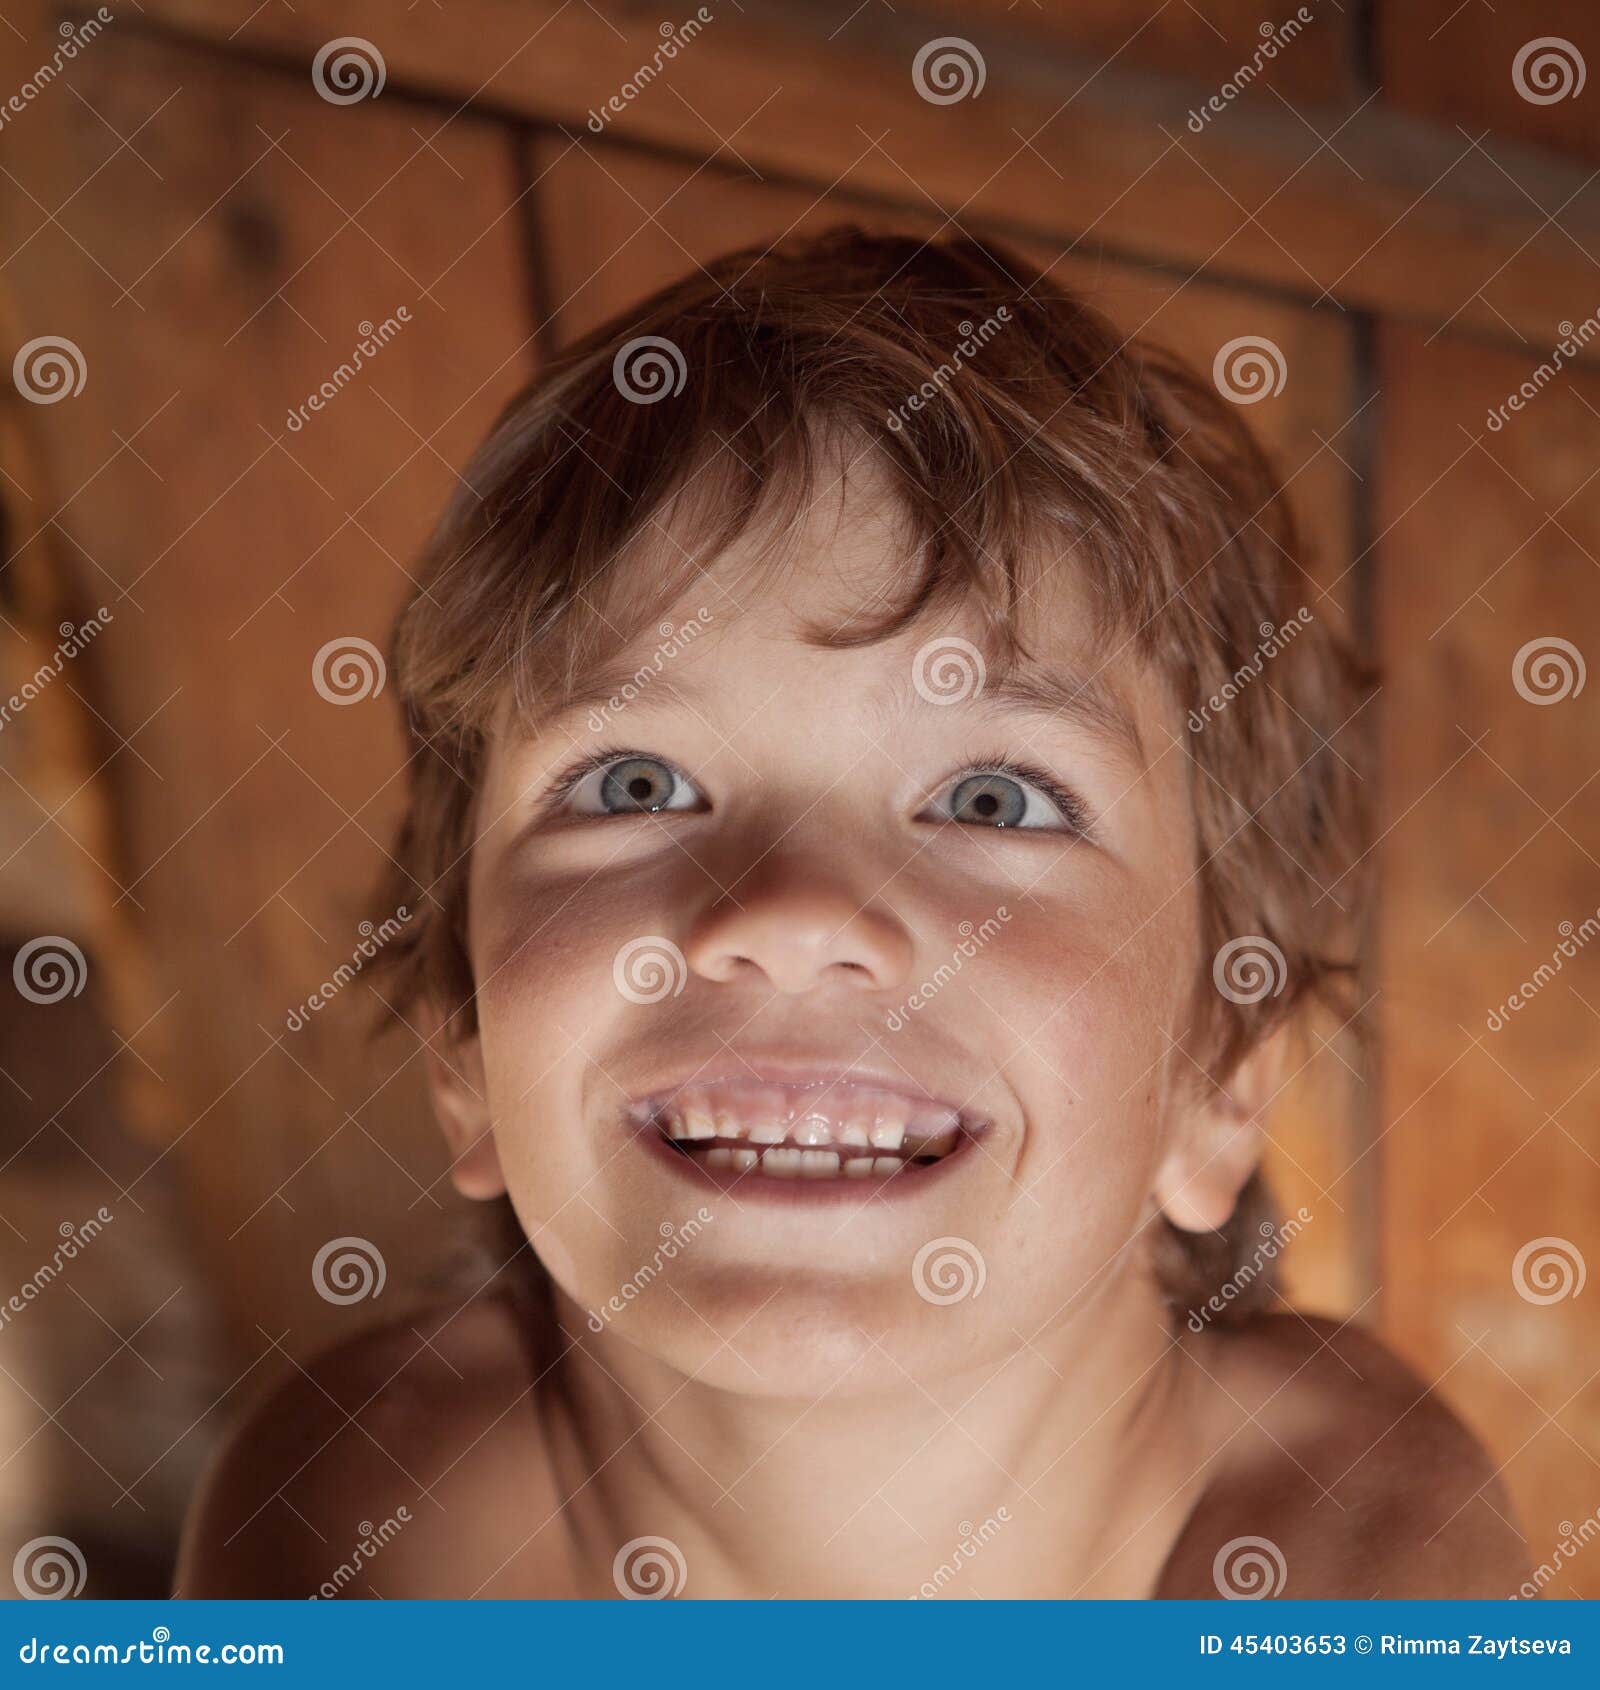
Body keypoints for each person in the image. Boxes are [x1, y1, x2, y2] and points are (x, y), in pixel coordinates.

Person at [178, 228, 1527, 1600]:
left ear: (1222, 1067)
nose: (792, 911)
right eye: (636, 782)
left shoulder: (1358, 1535)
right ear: (462, 1040)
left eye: (998, 799)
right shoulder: (371, 1503)